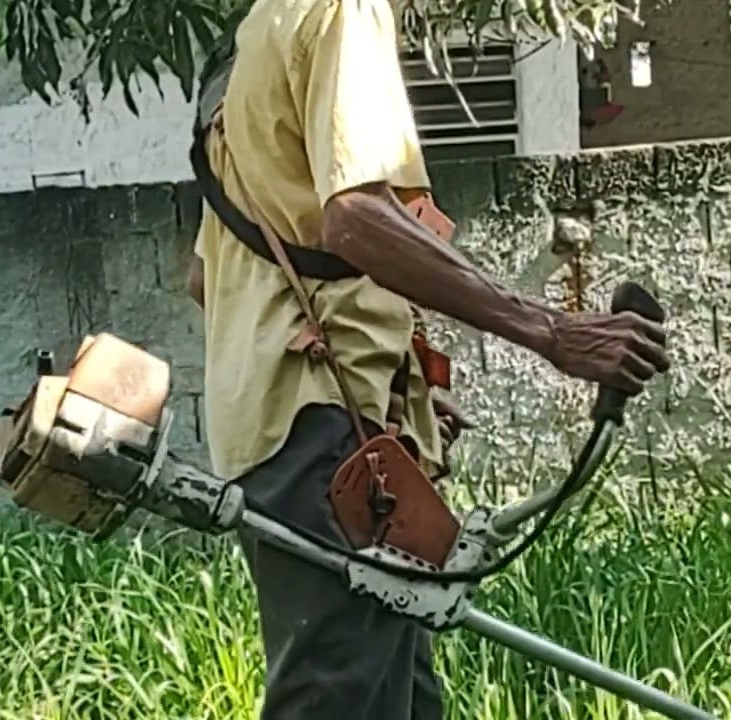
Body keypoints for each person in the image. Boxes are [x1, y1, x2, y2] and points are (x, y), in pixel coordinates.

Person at [185, 0, 671, 718]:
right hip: (326, 434)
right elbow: (351, 218)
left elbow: (207, 279)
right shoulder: (343, 9)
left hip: (282, 428)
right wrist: (551, 332)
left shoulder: (254, 38)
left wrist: (390, 380)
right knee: (339, 701)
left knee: (399, 699)